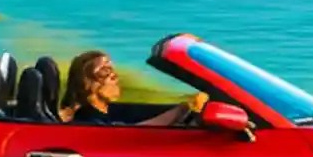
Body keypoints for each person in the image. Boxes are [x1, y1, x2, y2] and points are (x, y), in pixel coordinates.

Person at [59, 50, 206, 126]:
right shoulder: (88, 119)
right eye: (105, 71)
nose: (114, 76)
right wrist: (181, 110)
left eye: (113, 70)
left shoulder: (110, 110)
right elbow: (126, 135)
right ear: (87, 83)